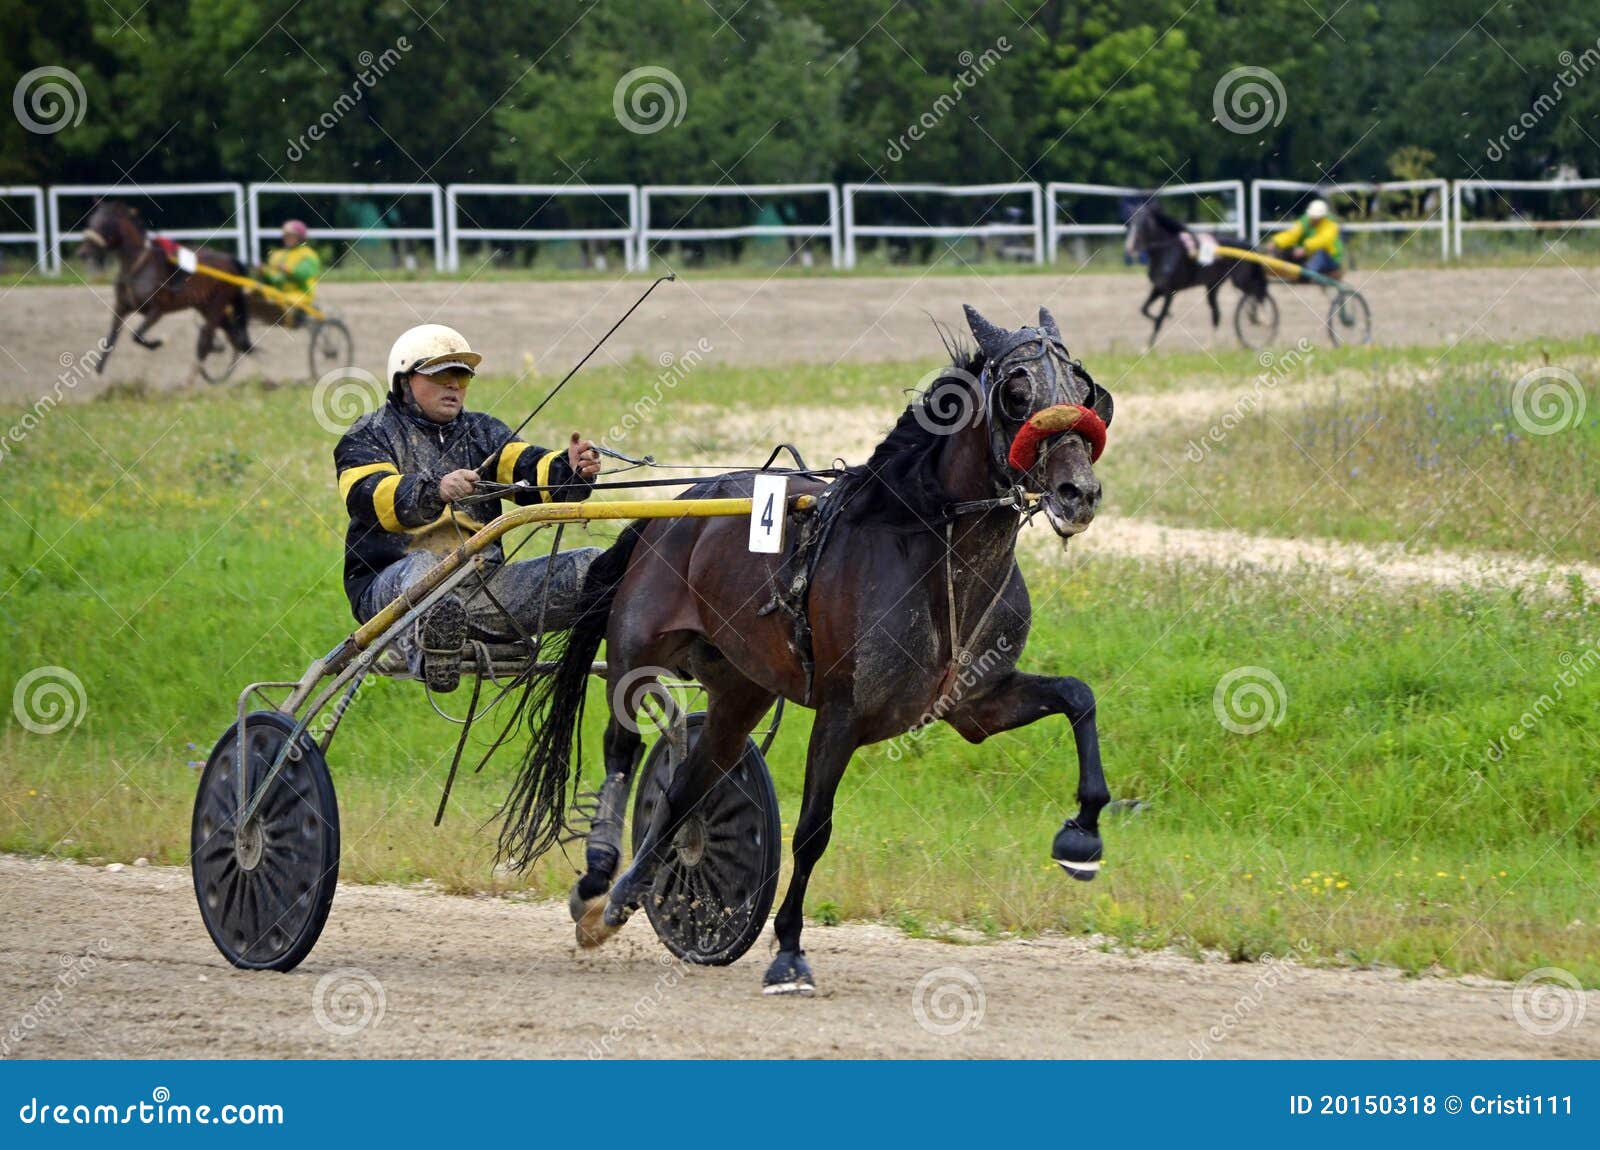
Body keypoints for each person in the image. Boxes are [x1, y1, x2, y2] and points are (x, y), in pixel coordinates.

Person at [334, 324, 604, 691]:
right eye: (443, 374)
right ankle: (432, 649)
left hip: (485, 590)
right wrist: (435, 490)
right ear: (404, 380)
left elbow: (527, 469)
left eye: (463, 375)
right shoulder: (369, 434)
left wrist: (569, 470)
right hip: (392, 590)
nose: (455, 385)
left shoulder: (484, 432)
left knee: (600, 566)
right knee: (427, 568)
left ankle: (668, 646)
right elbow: (370, 496)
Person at [258, 219, 322, 322]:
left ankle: (286, 317)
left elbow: (304, 275)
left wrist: (288, 270)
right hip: (280, 293)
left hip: (301, 293)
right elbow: (276, 279)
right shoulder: (277, 255)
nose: (287, 239)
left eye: (291, 236)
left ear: (300, 237)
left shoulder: (308, 254)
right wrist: (264, 272)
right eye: (286, 236)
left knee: (280, 300)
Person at [1269, 198, 1343, 278]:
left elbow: (1323, 240)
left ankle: (1308, 273)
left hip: (1330, 259)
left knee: (1320, 254)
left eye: (1316, 217)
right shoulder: (1305, 221)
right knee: (1289, 249)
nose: (1314, 219)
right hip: (1310, 255)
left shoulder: (1330, 224)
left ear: (1322, 217)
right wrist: (1276, 242)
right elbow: (1292, 233)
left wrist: (1305, 249)